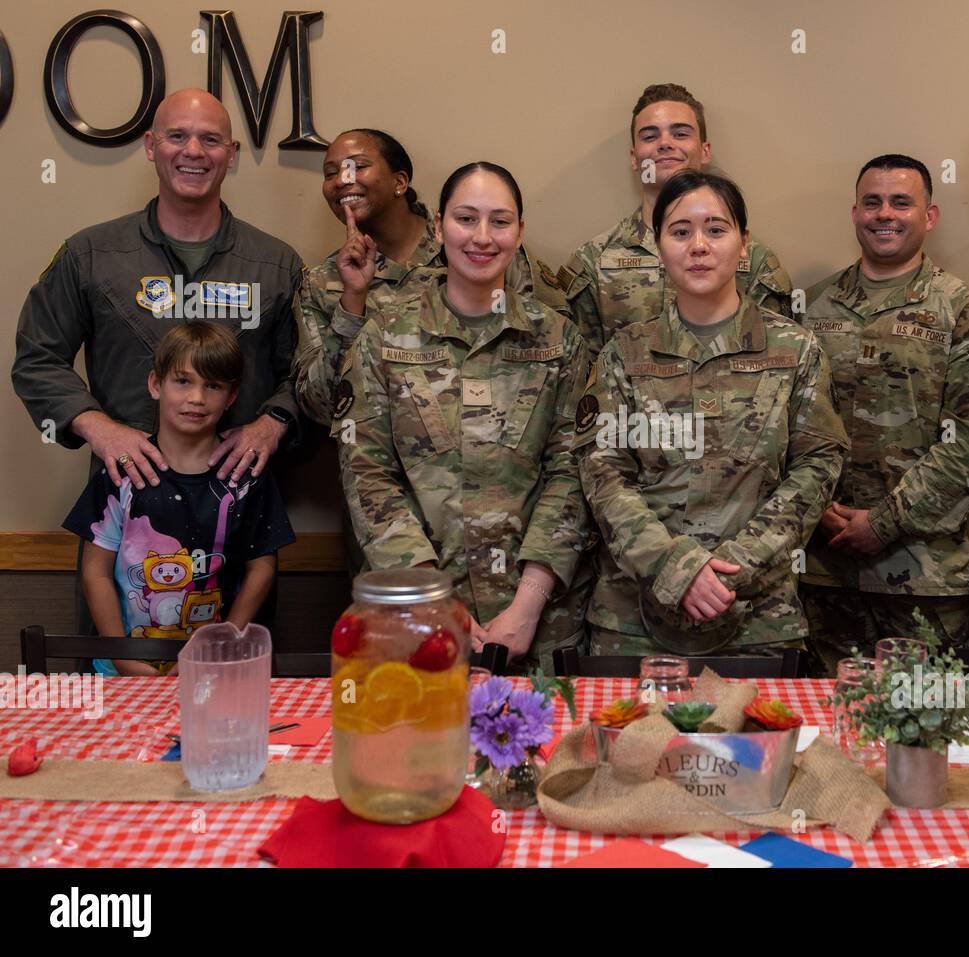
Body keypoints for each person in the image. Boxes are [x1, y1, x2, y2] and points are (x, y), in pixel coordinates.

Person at [574, 170, 847, 657]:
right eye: (680, 231)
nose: (698, 245)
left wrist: (734, 567)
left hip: (759, 618)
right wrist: (675, 568)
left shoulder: (796, 350)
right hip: (633, 620)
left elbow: (817, 467)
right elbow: (604, 473)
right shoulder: (623, 354)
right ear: (659, 248)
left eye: (716, 229)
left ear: (744, 245)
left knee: (762, 736)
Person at [332, 162, 591, 674]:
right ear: (437, 226)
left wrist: (528, 603)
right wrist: (432, 598)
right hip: (412, 619)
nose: (482, 237)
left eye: (500, 221)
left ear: (519, 232)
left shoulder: (559, 341)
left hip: (542, 624)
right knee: (416, 752)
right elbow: (367, 471)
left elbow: (575, 473)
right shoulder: (385, 337)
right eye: (466, 218)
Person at [13, 88, 303, 489]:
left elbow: (308, 375)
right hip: (122, 504)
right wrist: (97, 427)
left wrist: (273, 423)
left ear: (232, 153)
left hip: (238, 506)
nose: (194, 151)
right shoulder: (91, 254)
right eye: (178, 136)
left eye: (211, 139)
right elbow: (37, 358)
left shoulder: (277, 264)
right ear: (152, 145)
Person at [798, 155, 969, 675]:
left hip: (924, 577)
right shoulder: (811, 308)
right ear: (854, 212)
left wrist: (886, 521)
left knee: (927, 736)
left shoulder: (961, 311)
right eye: (872, 202)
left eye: (901, 202)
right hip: (825, 569)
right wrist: (820, 506)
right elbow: (786, 427)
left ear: (930, 216)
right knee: (832, 736)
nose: (884, 214)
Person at [293, 128, 569, 427]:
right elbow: (320, 406)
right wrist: (352, 302)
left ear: (400, 181)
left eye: (357, 166)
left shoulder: (480, 249)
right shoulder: (323, 283)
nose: (342, 180)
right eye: (330, 173)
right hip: (376, 457)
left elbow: (562, 359)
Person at [63, 322, 295, 676]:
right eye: (183, 381)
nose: (197, 398)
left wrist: (221, 646)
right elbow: (95, 571)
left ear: (231, 396)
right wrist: (121, 656)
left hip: (216, 667)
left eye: (213, 385)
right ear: (156, 384)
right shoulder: (121, 473)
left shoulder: (246, 477)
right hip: (122, 670)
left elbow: (261, 568)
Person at [556, 83, 794, 359]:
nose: (665, 143)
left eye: (680, 133)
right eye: (649, 136)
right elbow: (582, 374)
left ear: (705, 151)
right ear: (634, 158)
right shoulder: (592, 264)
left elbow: (780, 358)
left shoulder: (755, 262)